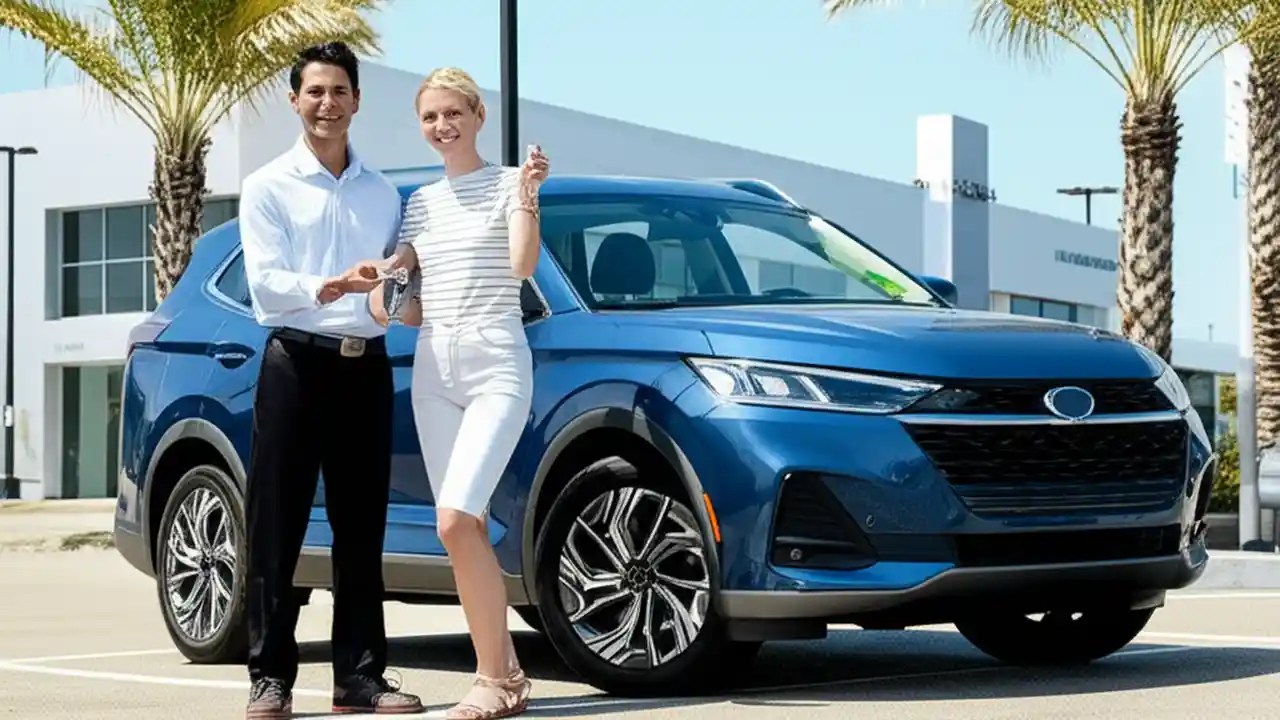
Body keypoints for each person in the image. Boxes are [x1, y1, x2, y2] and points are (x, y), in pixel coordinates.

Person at [237, 41, 423, 719]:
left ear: (357, 100)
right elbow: (266, 286)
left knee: (361, 527)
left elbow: (398, 286)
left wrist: (399, 284)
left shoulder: (382, 193)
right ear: (295, 100)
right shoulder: (267, 186)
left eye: (340, 91)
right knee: (277, 525)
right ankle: (270, 678)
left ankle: (360, 678)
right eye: (315, 91)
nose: (327, 103)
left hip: (365, 368)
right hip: (295, 363)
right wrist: (333, 285)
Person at [363, 66, 548, 720]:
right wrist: (382, 279)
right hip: (434, 370)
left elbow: (522, 264)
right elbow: (404, 305)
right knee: (461, 530)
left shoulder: (509, 184)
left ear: (477, 117)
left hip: (496, 364)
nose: (442, 126)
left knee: (453, 518)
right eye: (430, 116)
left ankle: (494, 678)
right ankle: (505, 677)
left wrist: (528, 196)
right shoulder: (419, 203)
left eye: (453, 113)